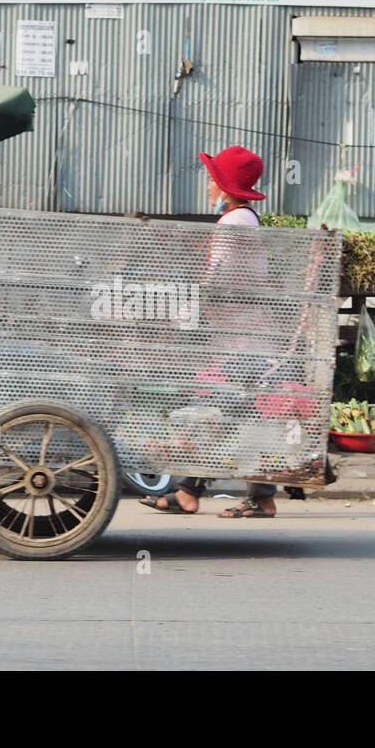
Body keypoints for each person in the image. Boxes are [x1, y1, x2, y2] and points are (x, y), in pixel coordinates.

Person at [142, 145, 280, 519]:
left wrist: (184, 317)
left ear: (225, 187)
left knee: (219, 407)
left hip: (241, 335)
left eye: (212, 180)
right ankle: (197, 490)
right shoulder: (246, 220)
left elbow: (214, 279)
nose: (208, 187)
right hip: (245, 331)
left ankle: (195, 491)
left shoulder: (233, 224)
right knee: (234, 409)